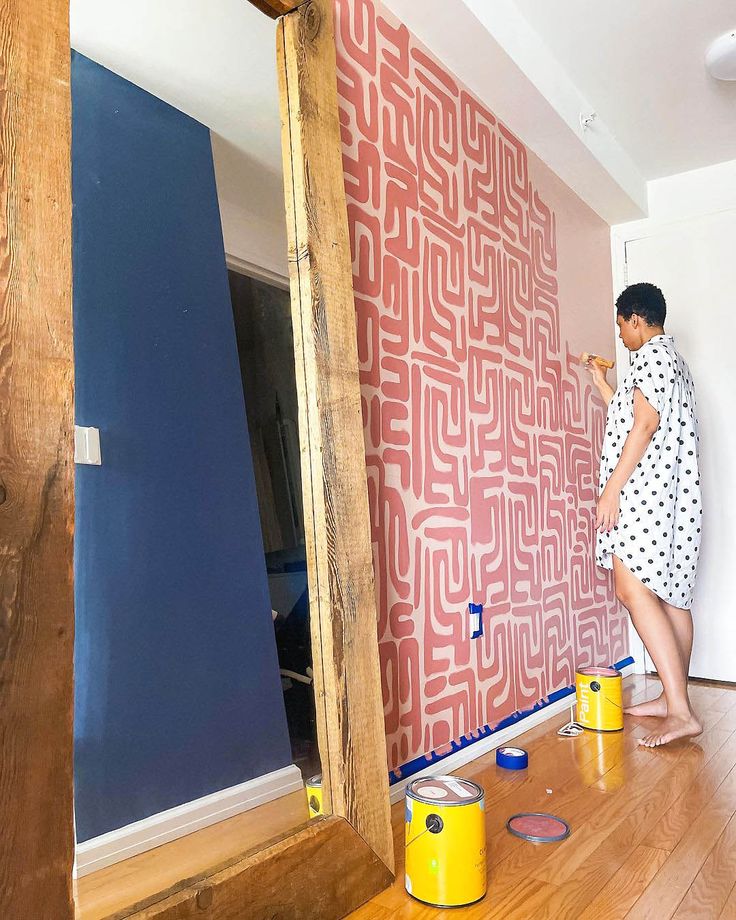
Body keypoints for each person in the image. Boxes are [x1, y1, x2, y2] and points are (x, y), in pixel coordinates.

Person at [586, 282, 702, 747]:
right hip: (672, 499)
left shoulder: (651, 356)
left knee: (630, 586)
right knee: (672, 596)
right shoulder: (675, 363)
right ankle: (676, 699)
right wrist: (604, 387)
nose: (621, 337)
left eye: (621, 327)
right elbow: (635, 416)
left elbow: (646, 424)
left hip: (643, 494)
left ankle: (679, 710)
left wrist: (611, 490)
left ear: (637, 319)